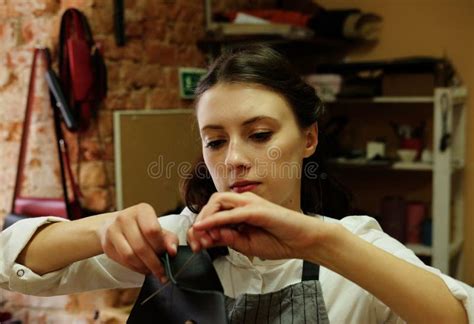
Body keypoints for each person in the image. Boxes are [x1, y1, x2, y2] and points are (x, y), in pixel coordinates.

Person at [1, 46, 472, 323]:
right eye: (216, 141)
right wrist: (99, 229)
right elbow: (9, 265)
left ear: (308, 138)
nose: (235, 160)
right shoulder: (178, 244)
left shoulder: (354, 245)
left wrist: (326, 243)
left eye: (260, 135)